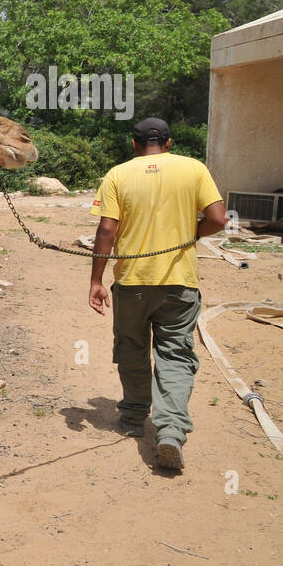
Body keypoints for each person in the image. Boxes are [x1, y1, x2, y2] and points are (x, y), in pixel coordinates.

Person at [88, 117, 227, 471]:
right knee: (175, 355)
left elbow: (107, 229)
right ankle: (171, 431)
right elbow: (219, 218)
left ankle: (134, 417)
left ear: (134, 145)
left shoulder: (118, 175)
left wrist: (96, 280)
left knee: (132, 346)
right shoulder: (193, 169)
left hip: (133, 283)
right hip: (180, 283)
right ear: (168, 143)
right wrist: (192, 233)